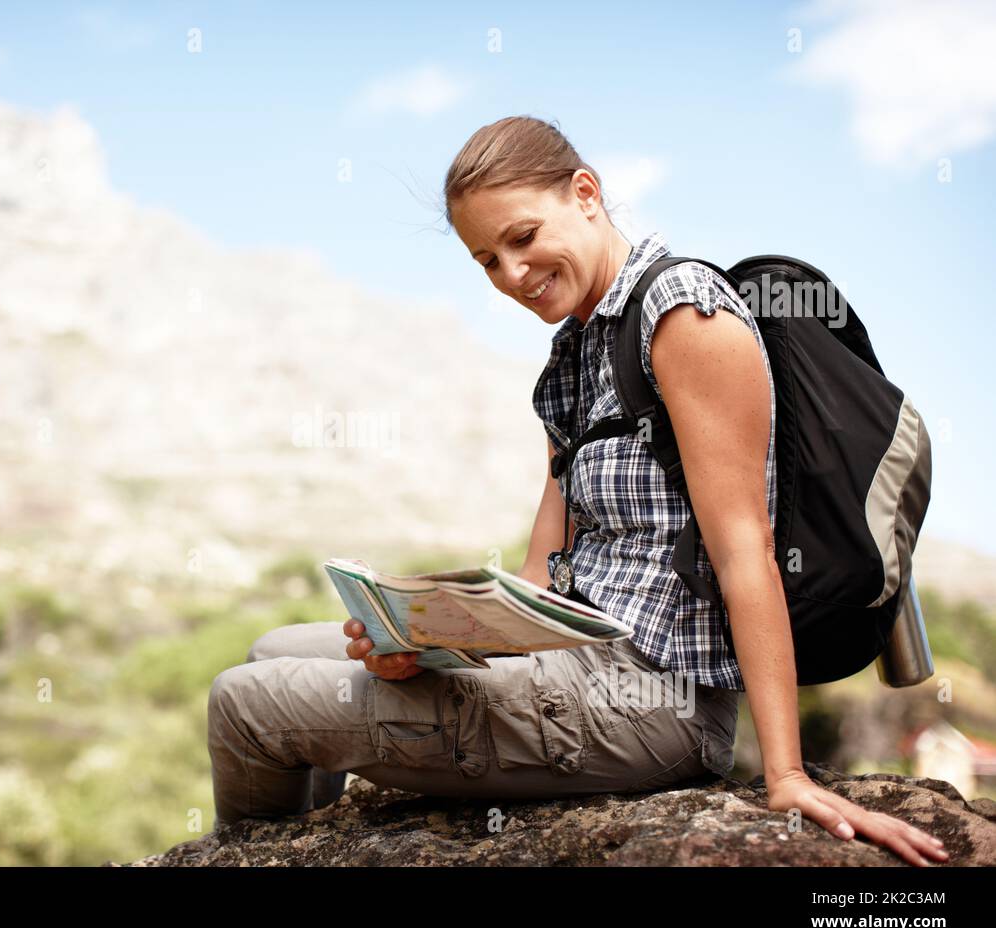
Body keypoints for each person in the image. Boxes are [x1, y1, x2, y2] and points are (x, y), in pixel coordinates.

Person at [207, 115, 948, 867]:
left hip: (650, 706)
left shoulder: (685, 315)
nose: (511, 275)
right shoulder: (577, 352)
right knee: (273, 652)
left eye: (523, 238)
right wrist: (416, 641)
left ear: (585, 194)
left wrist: (784, 775)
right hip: (564, 660)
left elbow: (743, 549)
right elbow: (537, 580)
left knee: (245, 703)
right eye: (487, 259)